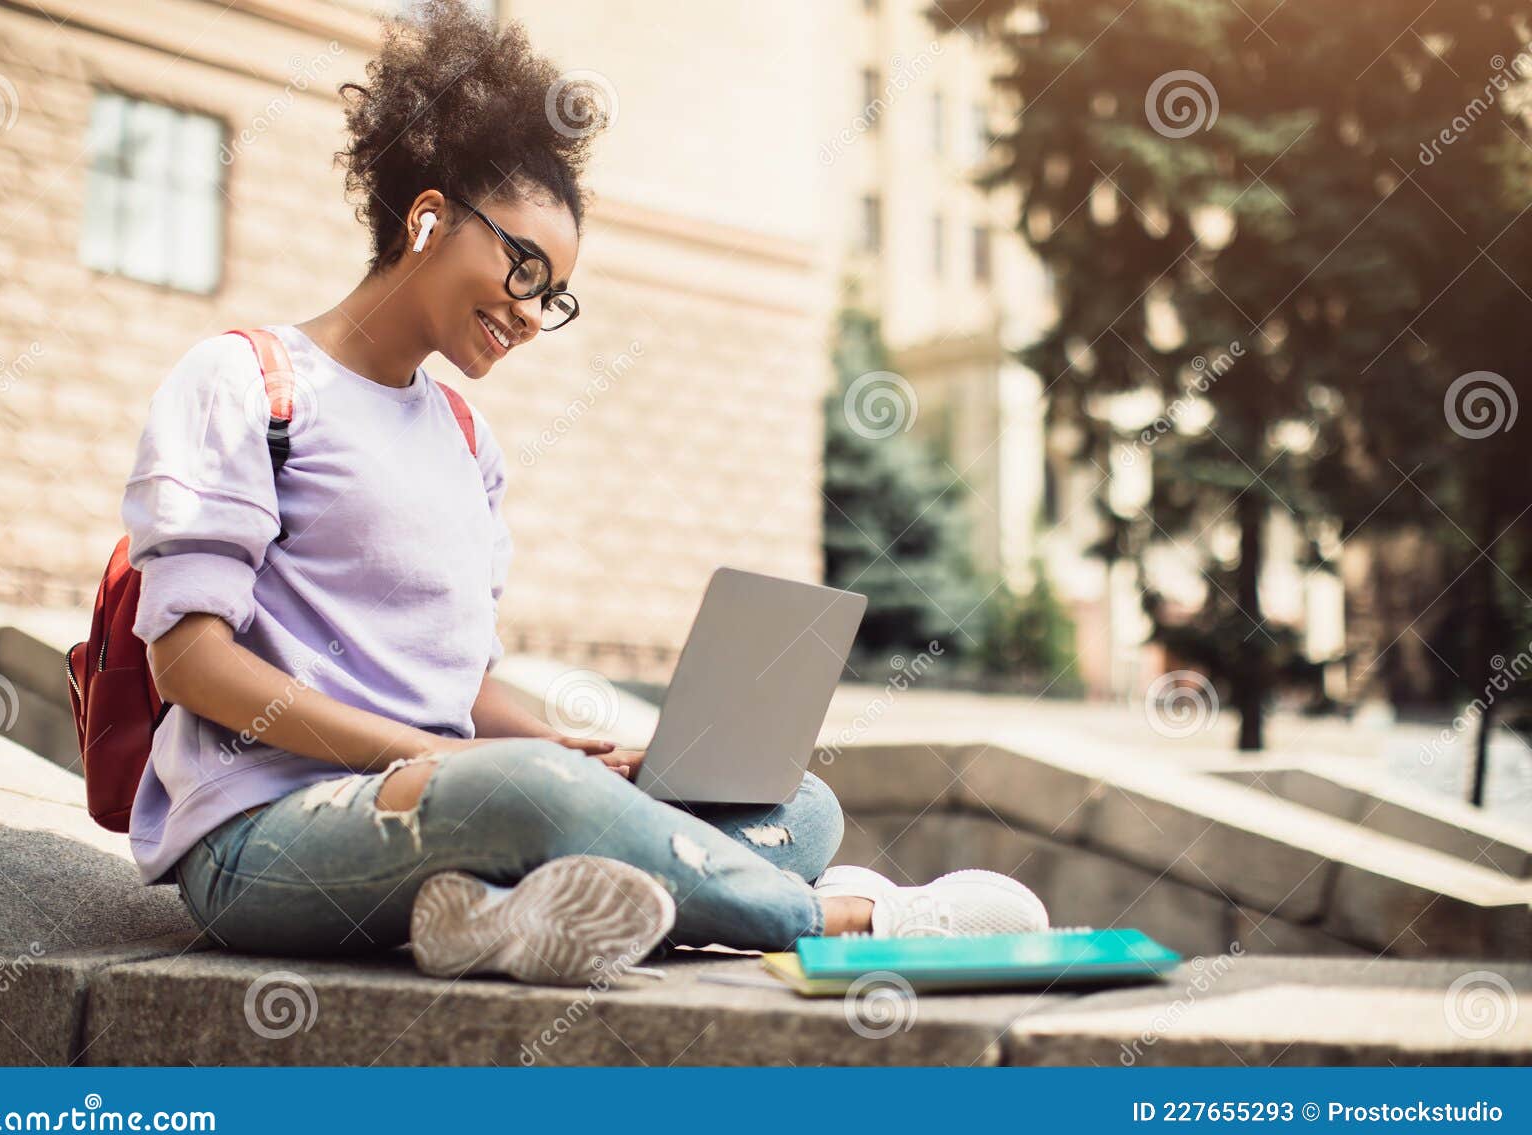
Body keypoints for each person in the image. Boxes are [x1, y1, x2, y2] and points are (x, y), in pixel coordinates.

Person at [124, 2, 1049, 988]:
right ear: (429, 218)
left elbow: (457, 681)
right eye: (522, 268)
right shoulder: (248, 380)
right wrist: (436, 758)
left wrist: (581, 753)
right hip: (266, 836)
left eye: (552, 294)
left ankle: (491, 919)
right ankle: (837, 914)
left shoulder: (465, 437)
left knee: (795, 809)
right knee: (529, 793)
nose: (529, 314)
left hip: (452, 802)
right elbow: (191, 665)